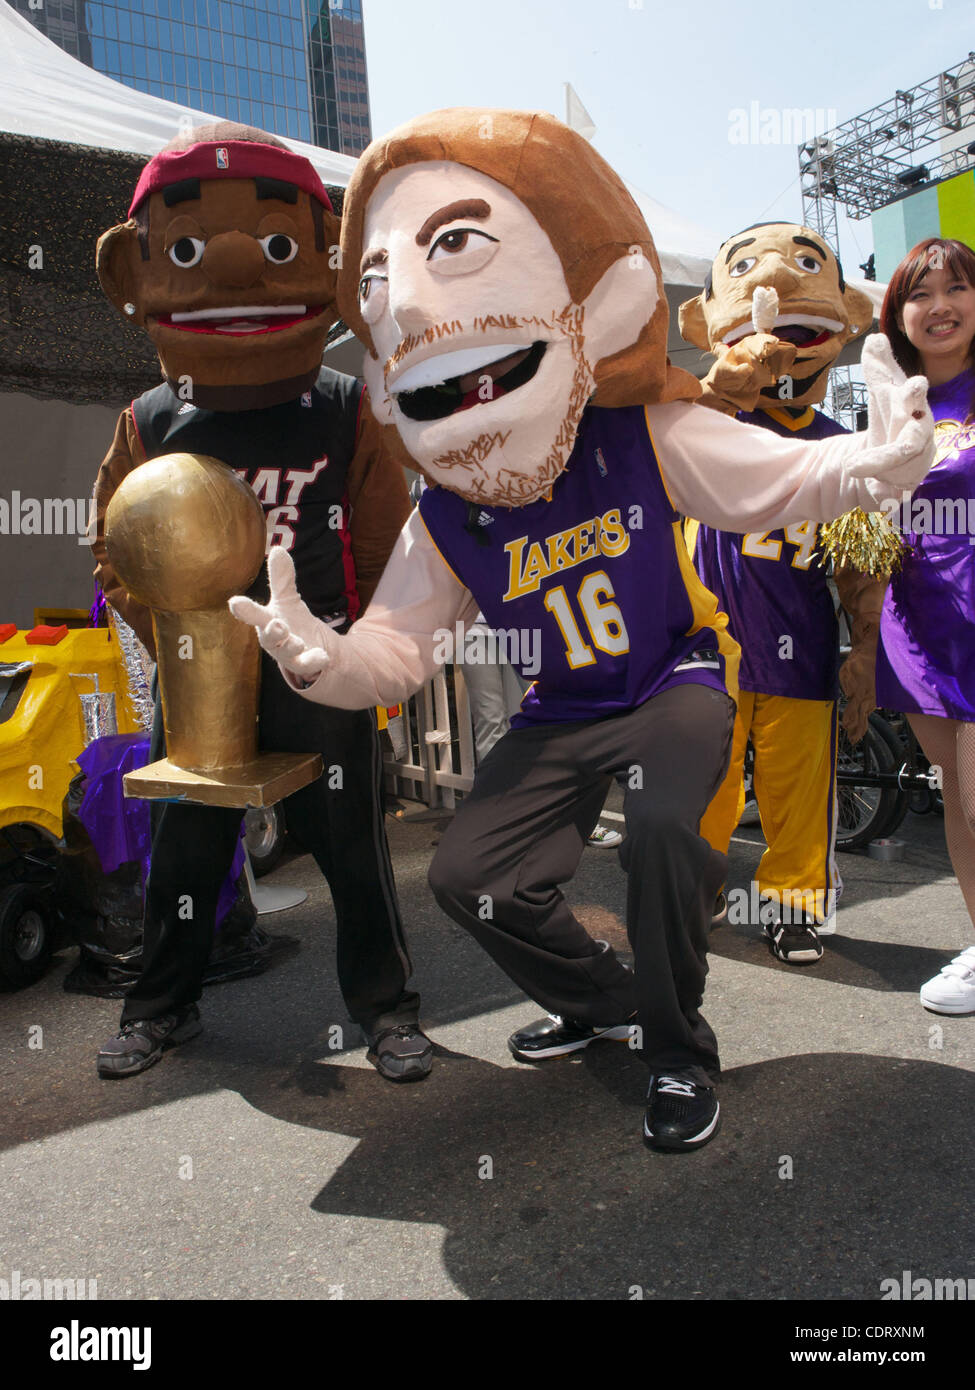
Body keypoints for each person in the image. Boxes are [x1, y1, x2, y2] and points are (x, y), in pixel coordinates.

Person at [232, 108, 933, 1151]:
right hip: (563, 709)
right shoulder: (449, 510)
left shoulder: (635, 427)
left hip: (670, 681)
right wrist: (320, 658)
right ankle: (598, 998)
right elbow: (395, 648)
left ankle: (679, 1050)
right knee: (471, 875)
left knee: (660, 833)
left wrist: (867, 466)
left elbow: (778, 481)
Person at [91, 123, 432, 1083]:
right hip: (203, 674)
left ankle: (386, 1012)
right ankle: (163, 1007)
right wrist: (171, 643)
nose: (239, 274)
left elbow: (383, 541)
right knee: (187, 848)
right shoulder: (152, 418)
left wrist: (368, 655)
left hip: (314, 664)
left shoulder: (339, 404)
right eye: (191, 252)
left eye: (280, 249)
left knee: (350, 847)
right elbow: (111, 546)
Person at [679, 223, 875, 964]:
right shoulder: (709, 420)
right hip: (707, 650)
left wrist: (865, 643)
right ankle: (691, 896)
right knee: (705, 789)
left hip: (800, 642)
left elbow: (859, 558)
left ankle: (792, 905)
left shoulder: (839, 444)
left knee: (798, 794)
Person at [874, 236, 975, 1015]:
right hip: (918, 623)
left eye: (956, 288)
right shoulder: (886, 400)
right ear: (898, 313)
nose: (939, 306)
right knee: (952, 794)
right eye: (921, 293)